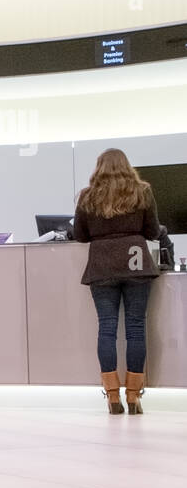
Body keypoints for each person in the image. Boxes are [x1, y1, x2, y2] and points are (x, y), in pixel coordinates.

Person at [72, 148, 162, 415]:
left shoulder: (88, 196)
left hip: (102, 266)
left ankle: (112, 394)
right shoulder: (142, 191)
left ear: (99, 168)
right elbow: (153, 231)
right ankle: (133, 395)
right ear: (127, 166)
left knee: (107, 328)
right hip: (135, 263)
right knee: (135, 328)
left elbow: (79, 235)